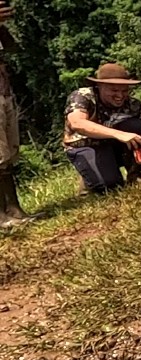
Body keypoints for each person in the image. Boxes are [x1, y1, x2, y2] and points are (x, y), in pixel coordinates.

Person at [63, 63, 141, 194]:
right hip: (86, 145)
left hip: (116, 146)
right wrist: (119, 134)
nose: (120, 95)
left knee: (137, 126)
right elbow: (77, 123)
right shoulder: (83, 96)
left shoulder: (134, 104)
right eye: (114, 91)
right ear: (99, 86)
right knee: (109, 186)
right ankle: (91, 178)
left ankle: (136, 175)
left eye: (124, 91)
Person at [0, 0, 28, 226]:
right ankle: (1, 216)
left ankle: (14, 209)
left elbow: (12, 48)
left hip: (3, 90)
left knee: (8, 153)